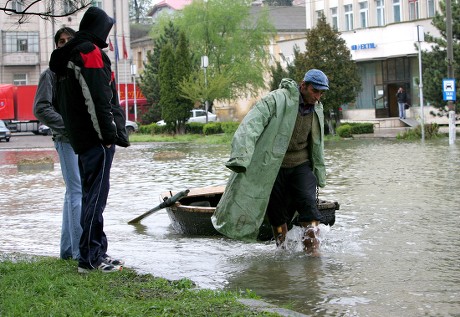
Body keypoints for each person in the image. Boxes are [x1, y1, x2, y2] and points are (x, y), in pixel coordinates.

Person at [212, 69, 328, 255]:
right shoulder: (276, 100)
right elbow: (250, 125)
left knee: (309, 205)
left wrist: (320, 171)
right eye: (315, 91)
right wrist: (241, 156)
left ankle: (313, 257)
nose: (318, 96)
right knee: (276, 212)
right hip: (272, 167)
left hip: (301, 164)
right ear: (303, 85)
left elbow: (317, 144)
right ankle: (282, 252)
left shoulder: (317, 108)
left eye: (322, 93)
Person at [49, 6, 130, 273]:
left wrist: (80, 133)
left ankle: (98, 251)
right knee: (95, 199)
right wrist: (107, 136)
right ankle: (90, 259)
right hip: (96, 140)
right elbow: (99, 99)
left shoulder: (67, 57)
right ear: (99, 29)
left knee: (91, 197)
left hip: (83, 139)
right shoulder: (88, 53)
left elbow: (62, 104)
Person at [33, 27, 82, 261]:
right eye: (60, 41)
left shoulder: (77, 70)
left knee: (71, 193)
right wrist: (69, 125)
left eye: (68, 40)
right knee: (77, 192)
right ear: (56, 45)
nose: (64, 44)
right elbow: (40, 109)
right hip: (65, 139)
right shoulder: (50, 74)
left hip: (81, 140)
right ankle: (80, 252)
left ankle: (67, 251)